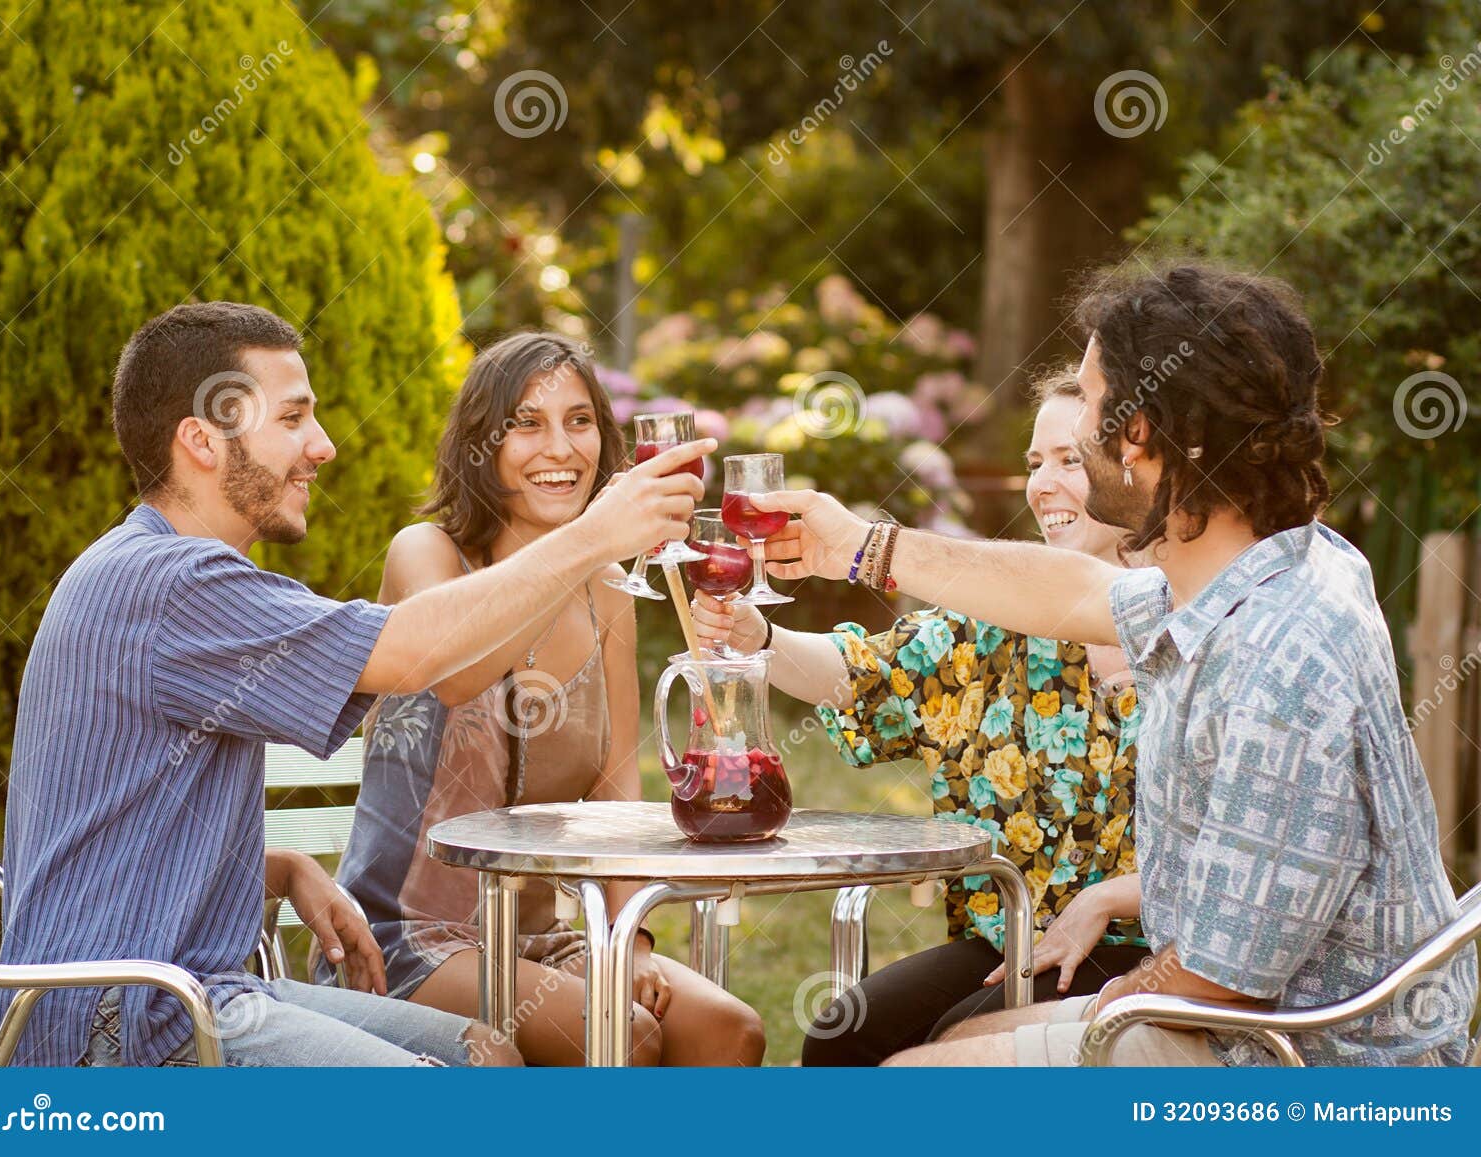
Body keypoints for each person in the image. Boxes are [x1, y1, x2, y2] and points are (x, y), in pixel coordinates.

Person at [749, 264, 1477, 1067]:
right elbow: (1073, 591)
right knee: (917, 1045)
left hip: (1307, 1068)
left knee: (901, 1083)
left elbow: (1217, 977)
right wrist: (860, 546)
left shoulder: (1280, 660)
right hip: (1247, 1019)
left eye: (1092, 406)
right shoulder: (1270, 572)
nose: (1080, 427)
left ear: (1141, 436)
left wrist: (1090, 1010)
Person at [0, 303, 712, 1068]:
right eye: (293, 417)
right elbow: (416, 653)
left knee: (485, 1055)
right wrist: (595, 533)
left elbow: (120, 827)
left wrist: (282, 866)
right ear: (201, 439)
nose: (323, 445)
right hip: (121, 1022)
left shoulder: (156, 569)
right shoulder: (174, 583)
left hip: (190, 991)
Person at [320, 332, 764, 1066]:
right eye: (526, 423)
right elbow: (457, 673)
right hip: (403, 937)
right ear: (481, 445)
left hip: (544, 938)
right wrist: (589, 540)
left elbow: (616, 788)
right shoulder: (426, 553)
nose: (560, 447)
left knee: (728, 1029)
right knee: (622, 1035)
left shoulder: (607, 590)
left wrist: (632, 941)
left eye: (579, 420)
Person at [692, 369, 1149, 1066]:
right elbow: (860, 676)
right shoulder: (998, 618)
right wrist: (761, 637)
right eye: (1035, 463)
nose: (1043, 484)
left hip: (1154, 949)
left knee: (952, 1043)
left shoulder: (1190, 624)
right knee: (842, 1037)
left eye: (1070, 460)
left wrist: (1111, 899)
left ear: (1133, 469)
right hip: (1010, 937)